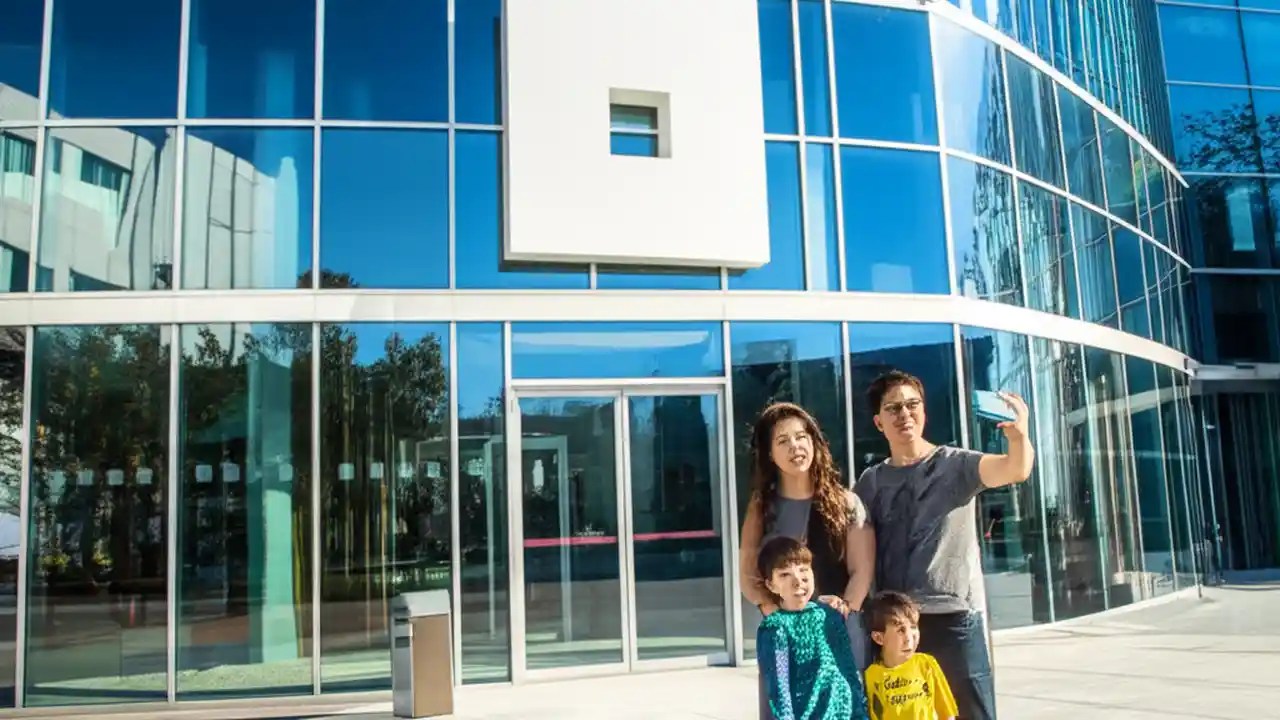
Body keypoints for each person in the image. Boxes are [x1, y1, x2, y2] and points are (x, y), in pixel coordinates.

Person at [854, 371, 1032, 720]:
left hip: (954, 620)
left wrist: (1019, 437)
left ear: (924, 411)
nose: (904, 414)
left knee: (973, 714)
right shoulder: (871, 481)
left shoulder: (956, 464)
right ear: (879, 421)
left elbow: (1015, 469)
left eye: (912, 404)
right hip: (896, 625)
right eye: (893, 408)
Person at [740, 402, 875, 718]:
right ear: (770, 454)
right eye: (782, 440)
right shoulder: (762, 506)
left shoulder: (847, 502)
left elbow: (862, 569)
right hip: (785, 641)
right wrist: (772, 610)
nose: (794, 446)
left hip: (836, 636)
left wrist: (841, 612)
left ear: (815, 442)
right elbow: (747, 572)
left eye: (801, 437)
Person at [756, 536, 870, 720]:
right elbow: (779, 689)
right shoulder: (775, 628)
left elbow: (848, 669)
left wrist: (861, 713)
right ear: (771, 585)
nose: (798, 581)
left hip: (844, 713)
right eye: (785, 574)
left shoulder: (829, 615)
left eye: (803, 571)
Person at [863, 590, 958, 720]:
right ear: (879, 638)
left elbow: (947, 713)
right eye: (901, 630)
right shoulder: (871, 675)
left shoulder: (927, 664)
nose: (909, 638)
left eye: (913, 627)